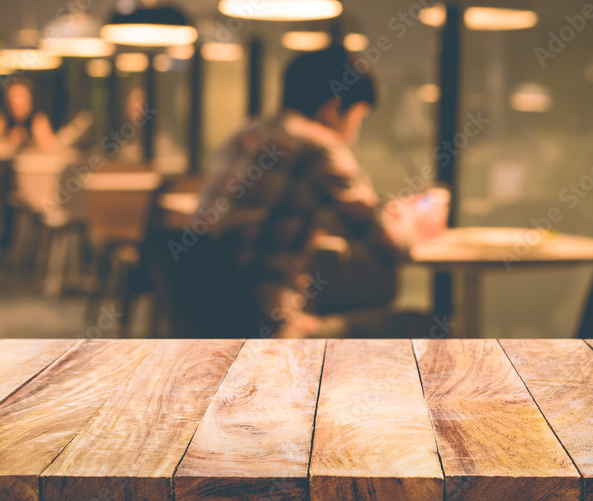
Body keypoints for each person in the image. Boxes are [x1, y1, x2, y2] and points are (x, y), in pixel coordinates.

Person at [173, 44, 434, 338]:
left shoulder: (249, 132)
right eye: (358, 118)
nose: (356, 132)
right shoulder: (315, 146)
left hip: (205, 312)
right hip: (266, 325)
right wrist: (416, 220)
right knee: (423, 325)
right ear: (333, 108)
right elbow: (387, 246)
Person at [0, 78, 57, 250]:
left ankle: (25, 243)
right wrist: (8, 142)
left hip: (37, 182)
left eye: (21, 96)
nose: (17, 101)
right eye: (13, 97)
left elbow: (50, 149)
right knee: (4, 181)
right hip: (7, 180)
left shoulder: (38, 119)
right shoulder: (1, 119)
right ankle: (6, 237)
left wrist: (30, 141)